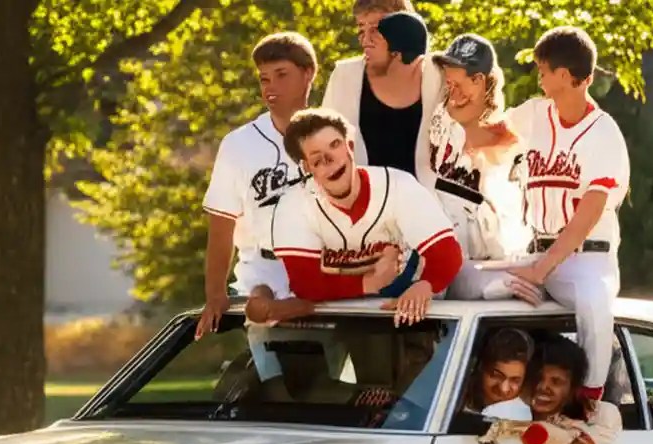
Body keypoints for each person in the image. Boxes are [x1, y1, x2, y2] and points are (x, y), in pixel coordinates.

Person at [501, 26, 632, 408]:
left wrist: (541, 270)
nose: (538, 75)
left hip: (587, 260)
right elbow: (489, 135)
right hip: (536, 254)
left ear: (563, 75)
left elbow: (587, 215)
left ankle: (590, 397)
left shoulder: (604, 132)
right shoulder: (535, 113)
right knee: (473, 281)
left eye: (543, 68)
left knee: (595, 301)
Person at [268, 108, 464, 327]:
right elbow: (305, 284)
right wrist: (368, 283)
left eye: (335, 145)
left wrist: (426, 284)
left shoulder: (398, 185)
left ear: (350, 146)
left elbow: (447, 253)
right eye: (317, 158)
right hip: (342, 314)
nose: (331, 160)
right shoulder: (295, 204)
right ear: (306, 167)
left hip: (410, 307)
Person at [197, 32, 318, 339]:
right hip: (263, 269)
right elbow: (221, 224)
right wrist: (215, 295)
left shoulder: (337, 132)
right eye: (264, 79)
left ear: (308, 74)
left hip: (323, 271)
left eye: (281, 75)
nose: (271, 87)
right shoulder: (239, 144)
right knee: (272, 375)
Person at [424, 32, 538, 303]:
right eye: (449, 83)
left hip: (471, 262)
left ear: (483, 82)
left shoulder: (509, 141)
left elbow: (511, 226)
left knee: (507, 286)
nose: (455, 93)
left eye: (466, 82)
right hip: (425, 247)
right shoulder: (437, 122)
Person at [320, 2, 442, 187]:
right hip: (365, 207)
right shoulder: (345, 77)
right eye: (361, 27)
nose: (365, 39)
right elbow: (323, 146)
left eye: (376, 29)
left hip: (431, 206)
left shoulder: (440, 75)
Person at [480, 335, 621, 444]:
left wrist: (568, 434)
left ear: (573, 388)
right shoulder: (498, 413)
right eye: (538, 377)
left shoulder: (601, 416)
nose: (543, 387)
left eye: (556, 382)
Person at [460, 327, 534, 419]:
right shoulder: (457, 394)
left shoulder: (516, 416)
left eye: (515, 380)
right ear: (481, 367)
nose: (504, 389)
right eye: (497, 376)